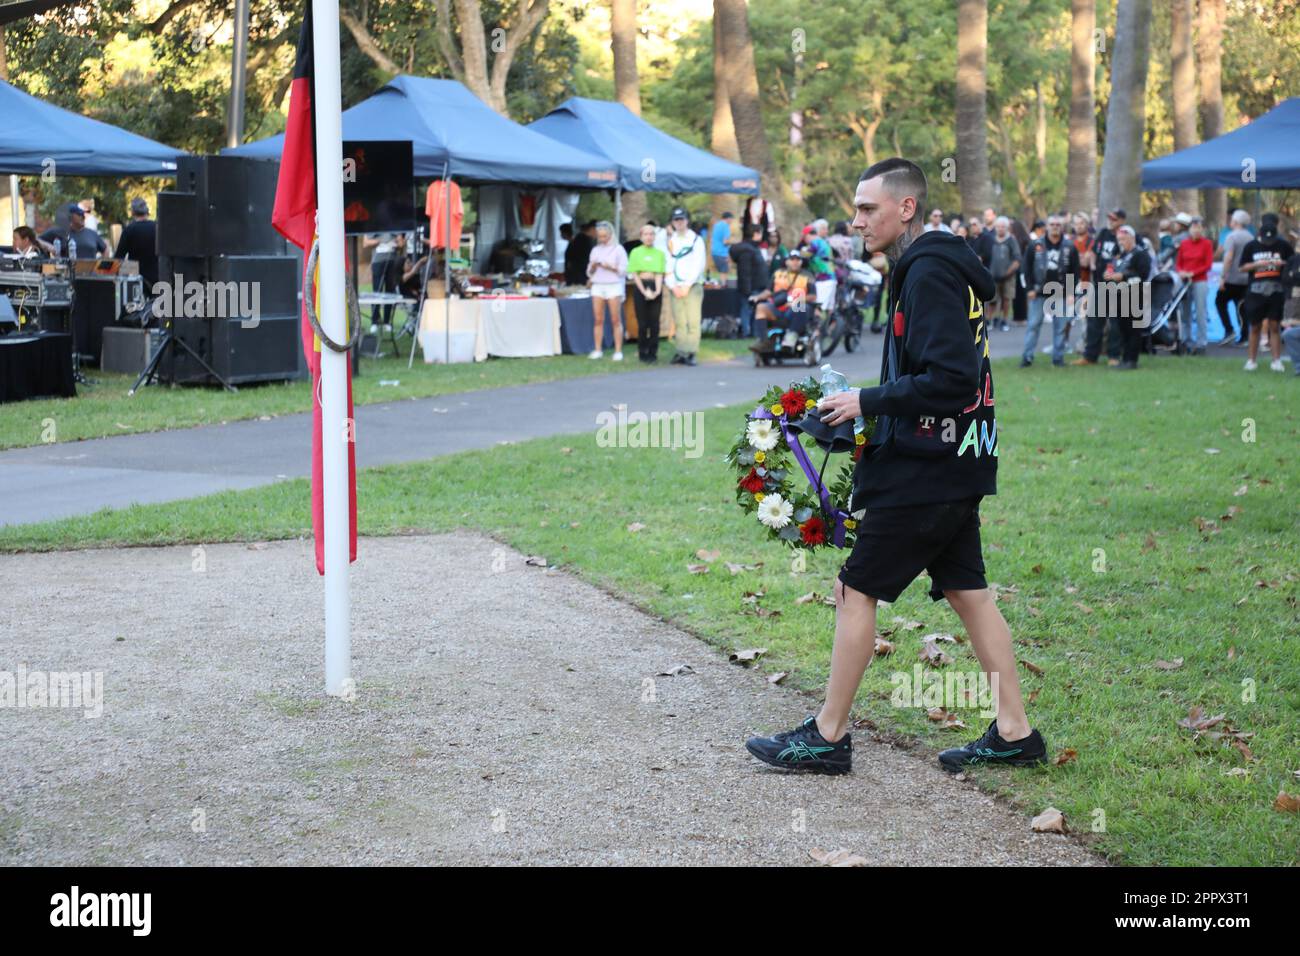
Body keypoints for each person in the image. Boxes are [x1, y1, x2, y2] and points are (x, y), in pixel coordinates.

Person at [744, 156, 1044, 776]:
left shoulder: (928, 272)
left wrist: (869, 400)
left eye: (867, 208)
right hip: (954, 463)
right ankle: (1015, 732)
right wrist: (865, 407)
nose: (856, 222)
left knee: (854, 590)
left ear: (906, 208)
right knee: (969, 593)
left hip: (928, 470)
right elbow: (936, 374)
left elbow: (952, 379)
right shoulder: (931, 267)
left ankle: (827, 735)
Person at [1238, 213, 1295, 372]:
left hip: (1277, 289)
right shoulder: (1251, 246)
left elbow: (1292, 264)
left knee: (1274, 325)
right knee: (1255, 326)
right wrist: (1257, 264)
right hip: (1255, 290)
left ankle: (1276, 360)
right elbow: (1242, 267)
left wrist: (1281, 264)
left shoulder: (1284, 246)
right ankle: (1251, 360)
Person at [1020, 215, 1079, 367]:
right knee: (1033, 325)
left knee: (1060, 327)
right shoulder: (1035, 245)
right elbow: (1026, 269)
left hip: (1061, 292)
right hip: (1038, 292)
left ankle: (1058, 358)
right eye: (1052, 224)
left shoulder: (1069, 246)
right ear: (1047, 226)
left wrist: (1071, 292)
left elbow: (1074, 271)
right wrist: (1029, 288)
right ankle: (1027, 357)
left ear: (1062, 227)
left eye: (1058, 224)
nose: (1055, 227)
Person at [1075, 207, 1126, 365]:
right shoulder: (1103, 233)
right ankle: (1090, 356)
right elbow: (1094, 251)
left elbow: (1125, 256)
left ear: (1122, 221)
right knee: (1094, 320)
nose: (1111, 221)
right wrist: (1092, 265)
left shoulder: (1125, 235)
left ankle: (1113, 356)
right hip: (1099, 283)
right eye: (1110, 218)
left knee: (1115, 322)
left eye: (1114, 219)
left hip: (1116, 286)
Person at [1099, 224, 1152, 370]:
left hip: (1135, 294)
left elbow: (1143, 275)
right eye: (1119, 240)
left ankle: (1132, 360)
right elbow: (1113, 269)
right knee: (1123, 329)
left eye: (1123, 239)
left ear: (1132, 238)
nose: (1120, 243)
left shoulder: (1141, 254)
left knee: (1133, 329)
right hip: (1120, 294)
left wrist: (1122, 276)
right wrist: (1109, 274)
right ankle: (1125, 358)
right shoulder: (1120, 255)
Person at [749, 247, 816, 353]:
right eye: (792, 259)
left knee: (799, 303)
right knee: (761, 307)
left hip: (797, 310)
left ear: (801, 262)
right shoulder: (778, 273)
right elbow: (768, 291)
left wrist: (795, 301)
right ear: (786, 261)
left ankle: (791, 336)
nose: (795, 262)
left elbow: (812, 296)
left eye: (797, 260)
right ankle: (763, 341)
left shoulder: (807, 275)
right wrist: (757, 297)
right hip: (778, 308)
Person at [663, 206, 705, 366]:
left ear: (687, 221)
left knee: (693, 321)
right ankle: (681, 351)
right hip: (675, 286)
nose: (679, 223)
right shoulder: (671, 240)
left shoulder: (696, 240)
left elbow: (698, 264)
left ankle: (691, 352)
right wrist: (672, 285)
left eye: (681, 219)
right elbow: (668, 263)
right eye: (676, 220)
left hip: (692, 285)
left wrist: (687, 285)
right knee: (679, 321)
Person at [586, 220, 627, 361]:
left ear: (610, 235)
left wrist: (610, 267)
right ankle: (598, 349)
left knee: (615, 319)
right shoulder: (595, 250)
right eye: (600, 236)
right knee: (598, 319)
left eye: (604, 236)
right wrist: (593, 267)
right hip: (598, 285)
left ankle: (618, 350)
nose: (602, 239)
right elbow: (589, 272)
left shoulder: (618, 249)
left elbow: (624, 271)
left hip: (613, 285)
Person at [1174, 216, 1213, 354]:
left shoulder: (1207, 244)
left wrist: (1193, 273)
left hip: (1199, 280)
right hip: (1185, 280)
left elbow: (1208, 265)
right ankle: (1186, 339)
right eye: (1194, 228)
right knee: (1185, 311)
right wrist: (1181, 272)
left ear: (1202, 230)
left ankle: (1201, 342)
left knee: (1200, 311)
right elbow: (1179, 262)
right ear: (1189, 229)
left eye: (1199, 228)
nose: (1196, 230)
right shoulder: (1184, 243)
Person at [627, 224, 666, 363]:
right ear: (641, 237)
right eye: (646, 234)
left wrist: (657, 291)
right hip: (641, 286)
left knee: (654, 323)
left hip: (655, 285)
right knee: (642, 323)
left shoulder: (659, 253)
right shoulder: (635, 252)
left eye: (651, 234)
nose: (649, 237)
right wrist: (644, 291)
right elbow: (635, 274)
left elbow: (659, 274)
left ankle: (653, 352)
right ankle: (642, 351)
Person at [1217, 210, 1254, 345]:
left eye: (1232, 219)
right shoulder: (1250, 237)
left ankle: (1229, 330)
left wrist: (1223, 277)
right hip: (1246, 278)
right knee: (1241, 307)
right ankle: (1244, 336)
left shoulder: (1231, 237)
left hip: (1232, 278)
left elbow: (1228, 257)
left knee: (1220, 302)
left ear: (1236, 222)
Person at [112, 197, 160, 288]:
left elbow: (119, 258)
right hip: (158, 278)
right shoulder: (158, 228)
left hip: (137, 280)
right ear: (147, 211)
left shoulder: (129, 230)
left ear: (133, 212)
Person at [729, 223, 766, 338]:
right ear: (756, 234)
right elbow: (745, 271)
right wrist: (747, 290)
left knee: (754, 310)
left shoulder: (753, 248)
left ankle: (753, 331)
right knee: (747, 309)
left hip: (756, 285)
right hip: (751, 287)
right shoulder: (747, 250)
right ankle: (747, 331)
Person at [39, 203, 108, 259]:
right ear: (70, 216)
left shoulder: (92, 234)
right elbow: (36, 240)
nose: (83, 217)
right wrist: (48, 247)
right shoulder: (58, 232)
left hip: (90, 272)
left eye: (83, 215)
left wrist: (102, 266)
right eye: (79, 214)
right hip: (67, 271)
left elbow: (105, 249)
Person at [987, 216, 1020, 332]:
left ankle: (1004, 320)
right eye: (998, 226)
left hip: (1008, 277)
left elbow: (1017, 259)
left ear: (1007, 228)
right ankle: (989, 320)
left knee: (1006, 299)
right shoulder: (991, 239)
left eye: (1003, 227)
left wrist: (1008, 272)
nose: (1000, 229)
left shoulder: (1011, 240)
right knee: (992, 299)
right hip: (992, 276)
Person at [563, 220, 595, 286]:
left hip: (579, 276)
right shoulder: (583, 240)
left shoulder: (582, 239)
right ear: (592, 228)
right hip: (579, 278)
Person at [710, 210, 735, 277]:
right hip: (722, 253)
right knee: (724, 272)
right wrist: (734, 243)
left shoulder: (716, 225)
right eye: (731, 219)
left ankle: (722, 283)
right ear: (728, 218)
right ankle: (723, 283)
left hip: (714, 252)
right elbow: (725, 242)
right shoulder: (725, 226)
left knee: (722, 272)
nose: (732, 221)